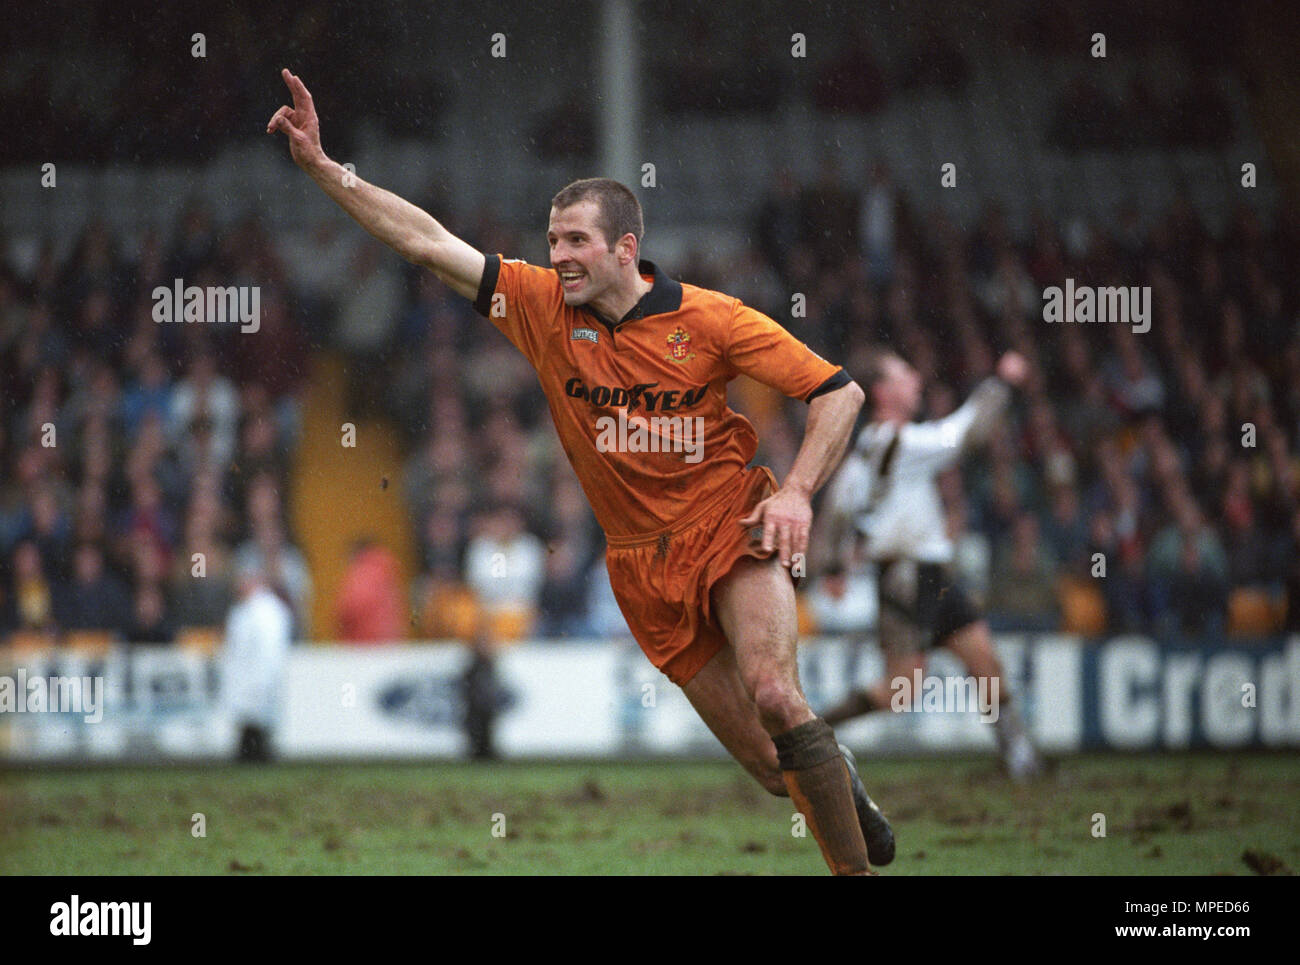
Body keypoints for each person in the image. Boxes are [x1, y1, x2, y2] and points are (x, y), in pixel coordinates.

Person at [269, 69, 892, 874]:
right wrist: (326, 169)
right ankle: (840, 777)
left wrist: (800, 493)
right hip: (639, 562)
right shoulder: (536, 307)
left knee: (776, 693)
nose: (556, 255)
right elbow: (424, 240)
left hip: (730, 521)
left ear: (624, 249)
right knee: (779, 773)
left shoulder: (711, 320)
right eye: (552, 240)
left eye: (574, 242)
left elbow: (839, 392)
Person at [818, 348, 1046, 780]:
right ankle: (812, 732)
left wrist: (833, 565)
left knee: (985, 664)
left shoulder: (871, 447)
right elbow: (966, 435)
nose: (917, 380)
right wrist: (1002, 383)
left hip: (933, 572)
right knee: (899, 691)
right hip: (905, 576)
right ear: (883, 392)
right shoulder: (897, 442)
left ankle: (1021, 761)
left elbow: (839, 505)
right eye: (905, 373)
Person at [222, 558, 293, 762]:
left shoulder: (267, 610)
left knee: (256, 734)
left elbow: (269, 654)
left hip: (257, 683)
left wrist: (262, 684)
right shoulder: (246, 609)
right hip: (248, 683)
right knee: (249, 732)